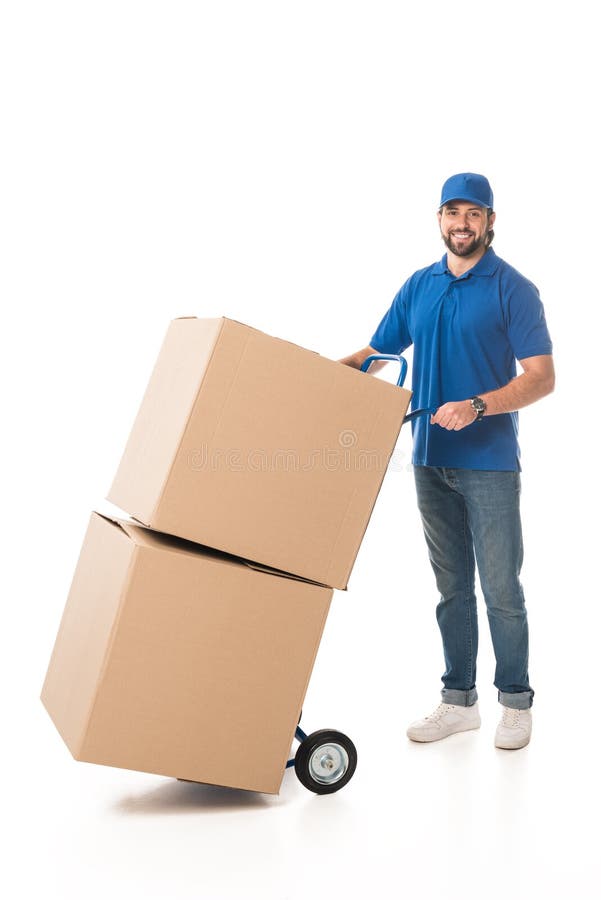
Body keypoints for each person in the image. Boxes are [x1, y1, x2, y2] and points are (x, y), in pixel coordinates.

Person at [339, 173, 554, 750]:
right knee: (451, 588)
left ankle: (516, 703)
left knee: (501, 588)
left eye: (473, 213)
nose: (462, 223)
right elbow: (377, 353)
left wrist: (480, 405)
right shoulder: (420, 285)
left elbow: (541, 378)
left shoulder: (513, 288)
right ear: (439, 219)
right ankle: (458, 703)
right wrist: (320, 376)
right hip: (429, 460)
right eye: (451, 212)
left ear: (490, 221)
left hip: (489, 463)